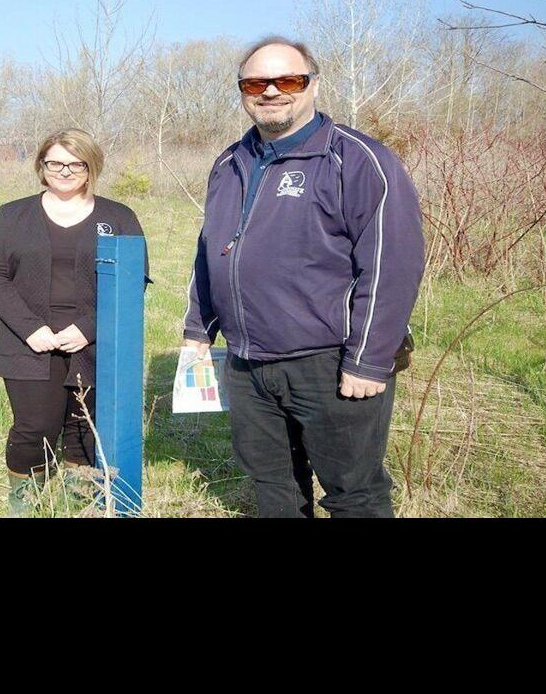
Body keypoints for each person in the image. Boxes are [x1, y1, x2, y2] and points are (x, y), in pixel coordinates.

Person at [182, 37, 424, 518]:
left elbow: (392, 264)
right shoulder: (230, 163)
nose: (271, 91)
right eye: (256, 82)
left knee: (354, 493)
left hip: (330, 363)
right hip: (249, 363)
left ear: (314, 85)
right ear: (242, 91)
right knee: (273, 487)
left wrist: (369, 360)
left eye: (287, 79)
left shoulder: (357, 160)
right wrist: (197, 329)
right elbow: (212, 247)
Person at [0, 129, 147, 516]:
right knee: (34, 427)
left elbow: (133, 279)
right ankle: (26, 499)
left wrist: (88, 328)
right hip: (29, 340)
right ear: (42, 166)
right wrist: (30, 328)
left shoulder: (118, 216)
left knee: (84, 425)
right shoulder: (13, 215)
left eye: (75, 164)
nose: (65, 171)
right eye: (55, 163)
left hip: (93, 338)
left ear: (90, 168)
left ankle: (79, 493)